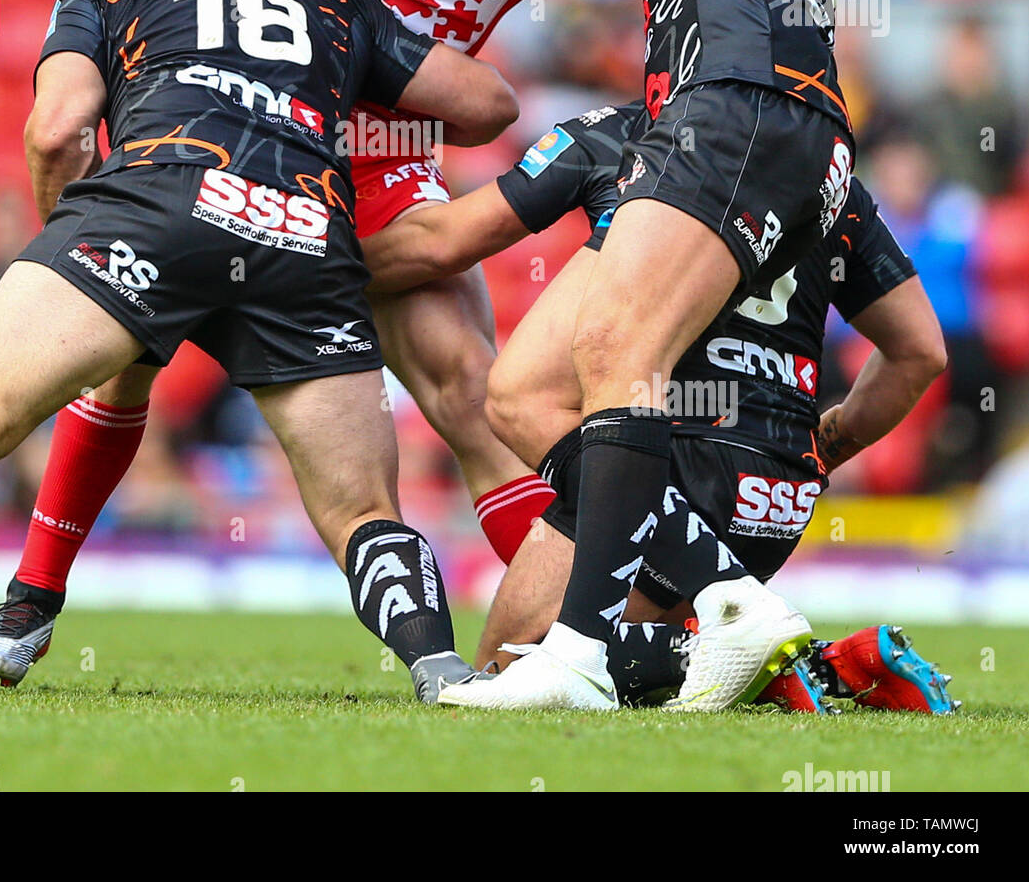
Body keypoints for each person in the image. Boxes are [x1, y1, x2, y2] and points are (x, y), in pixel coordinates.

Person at [0, 0, 642, 680]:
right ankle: (29, 603)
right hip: (233, 108)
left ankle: (583, 646)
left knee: (469, 392)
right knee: (118, 365)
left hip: (380, 153)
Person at [0, 0, 517, 702]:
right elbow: (487, 104)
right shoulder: (344, 7)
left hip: (155, 207)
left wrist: (66, 247)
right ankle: (438, 669)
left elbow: (56, 130)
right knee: (361, 508)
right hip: (300, 233)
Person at [438, 0, 859, 711]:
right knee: (528, 385)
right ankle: (716, 591)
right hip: (771, 117)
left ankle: (583, 652)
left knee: (616, 352)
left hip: (734, 98)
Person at [363, 103, 954, 713]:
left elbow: (441, 243)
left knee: (513, 668)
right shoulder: (832, 181)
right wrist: (820, 453)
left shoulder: (625, 137)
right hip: (777, 496)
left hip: (657, 453)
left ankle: (804, 667)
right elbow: (920, 354)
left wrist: (302, 264)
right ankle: (814, 661)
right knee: (608, 673)